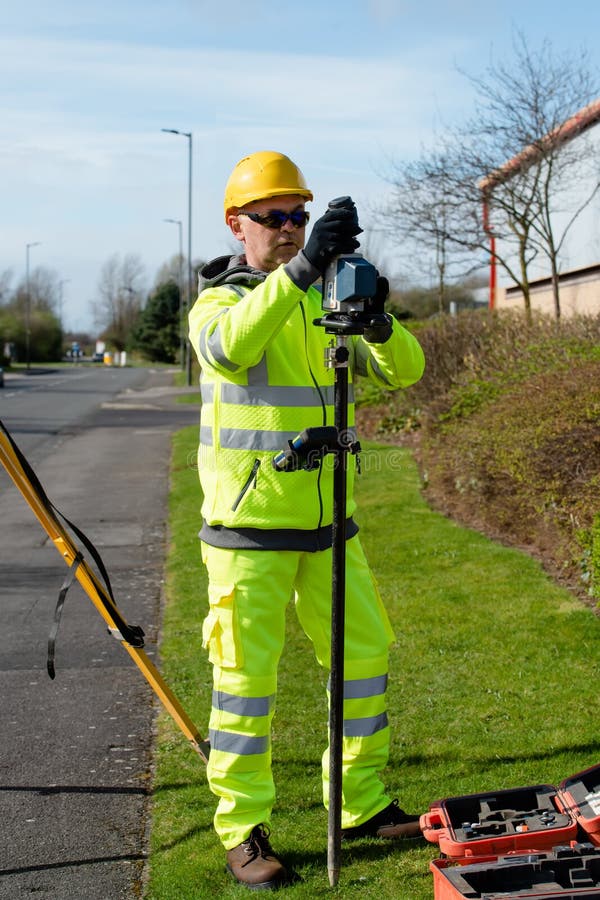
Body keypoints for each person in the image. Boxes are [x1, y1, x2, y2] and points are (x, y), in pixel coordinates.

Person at [188, 150, 426, 890]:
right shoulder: (219, 304)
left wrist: (377, 320)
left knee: (362, 666)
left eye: (300, 217)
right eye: (275, 217)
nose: (291, 230)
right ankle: (242, 829)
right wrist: (300, 273)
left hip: (328, 528)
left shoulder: (323, 302)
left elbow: (408, 371)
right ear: (238, 224)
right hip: (248, 531)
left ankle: (359, 804)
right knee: (246, 685)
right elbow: (230, 351)